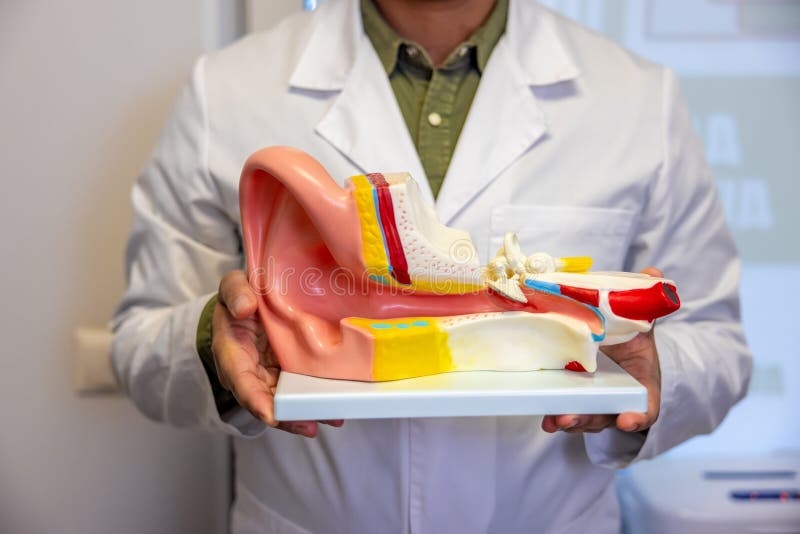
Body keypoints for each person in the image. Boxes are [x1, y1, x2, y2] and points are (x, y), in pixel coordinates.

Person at [111, 0, 752, 532]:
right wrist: (214, 342)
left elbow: (719, 344)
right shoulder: (225, 90)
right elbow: (139, 343)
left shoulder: (638, 97)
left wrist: (654, 374)